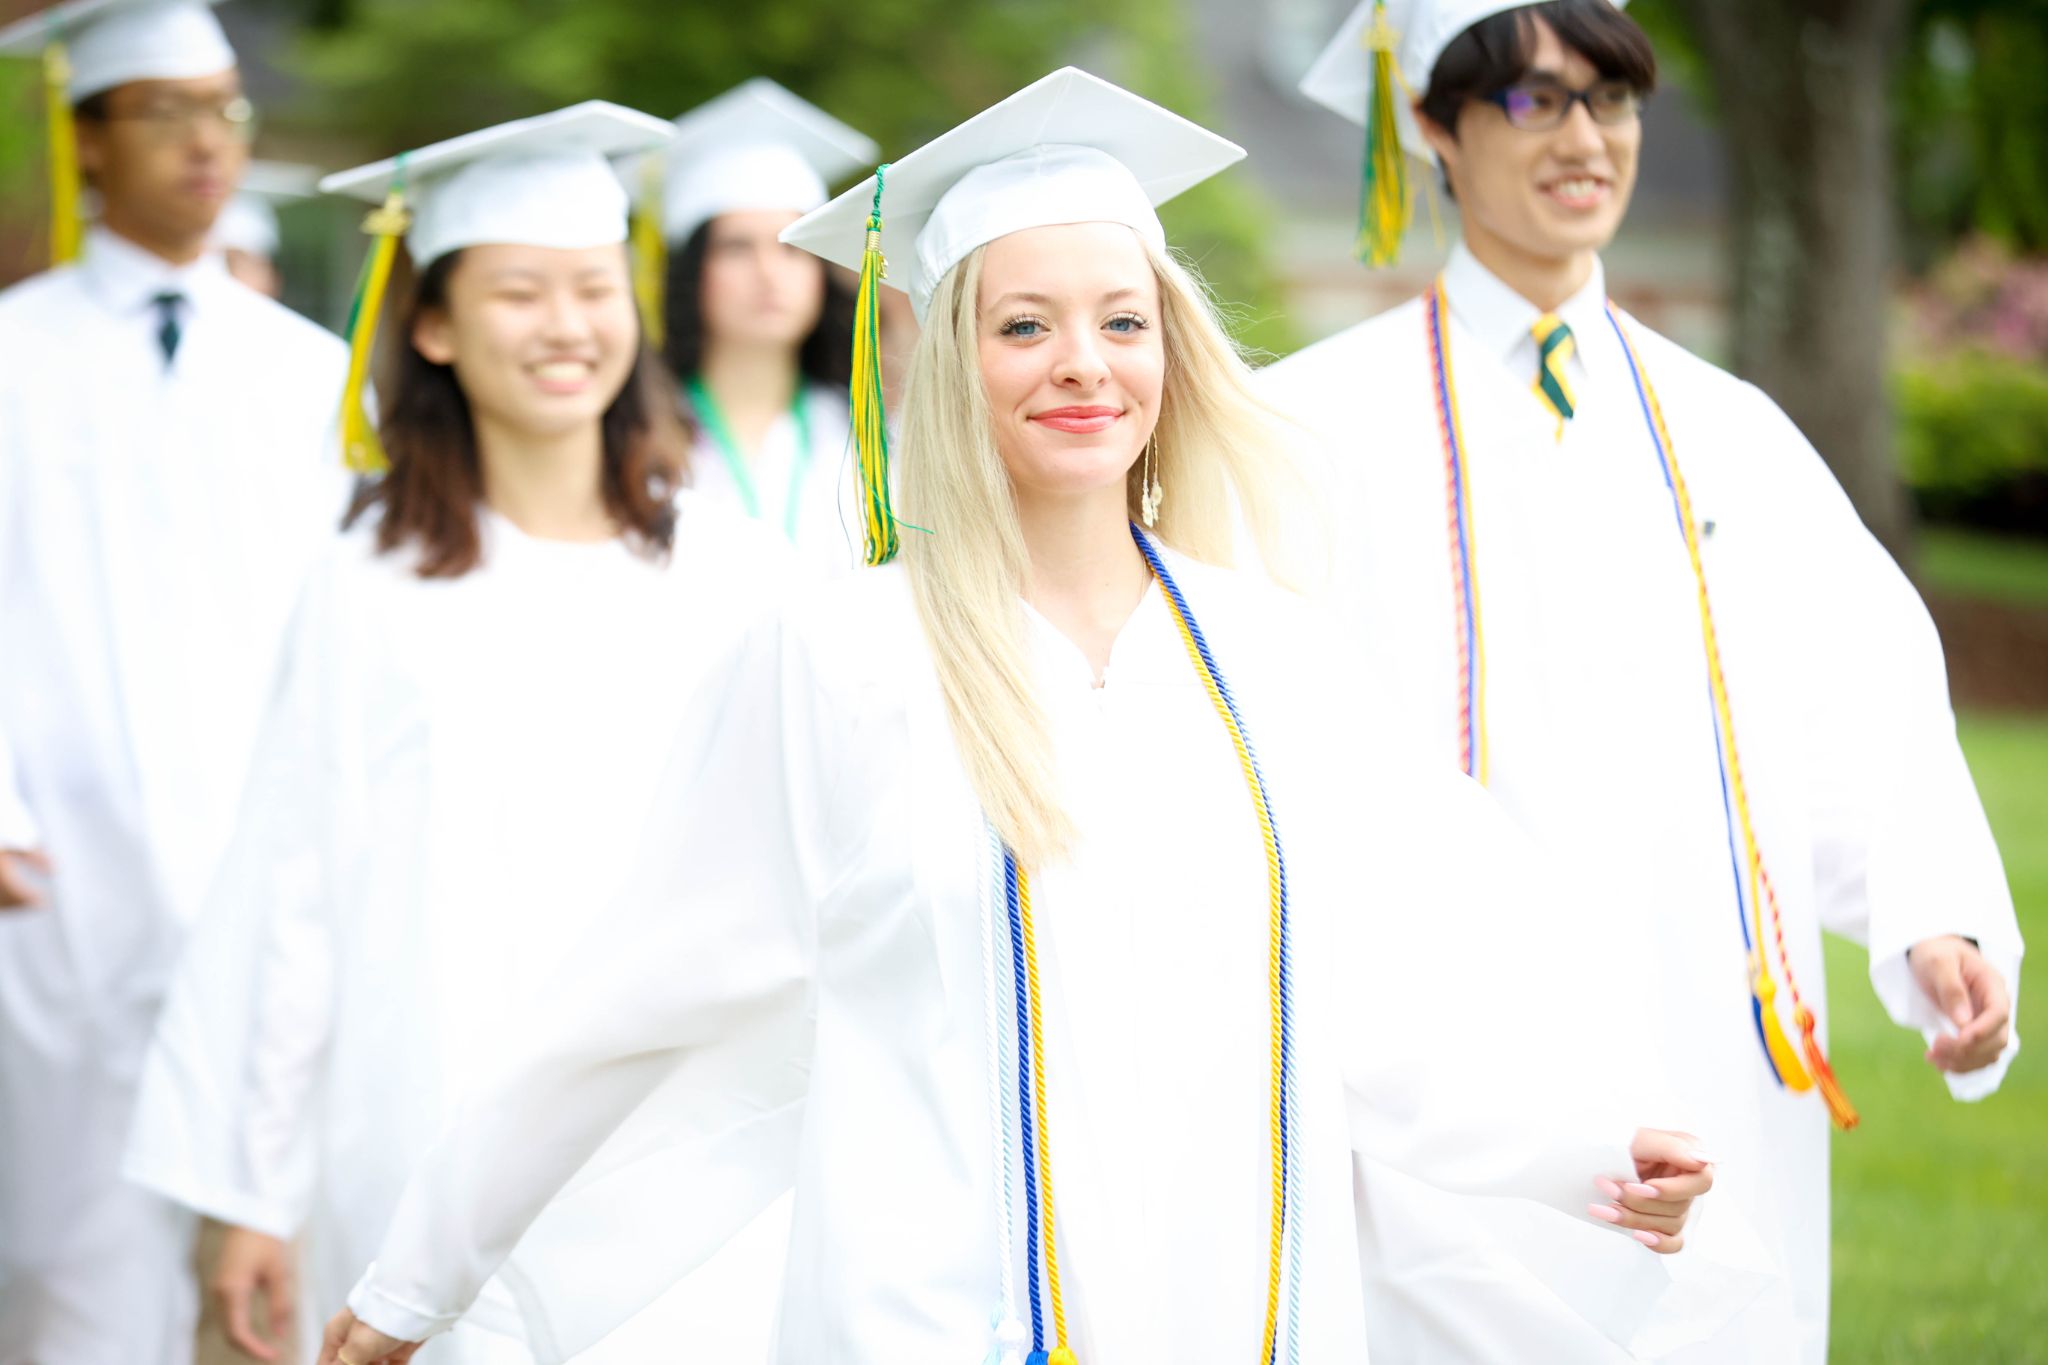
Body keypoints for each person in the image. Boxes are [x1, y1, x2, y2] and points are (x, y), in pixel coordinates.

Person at [312, 68, 1715, 1365]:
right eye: (1023, 325)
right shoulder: (842, 653)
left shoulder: (1269, 658)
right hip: (936, 1321)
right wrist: (416, 1281)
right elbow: (633, 1001)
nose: (1083, 365)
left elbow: (1400, 985)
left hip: (1231, 1306)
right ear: (947, 354)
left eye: (1122, 320)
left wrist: (1585, 1145)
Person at [1261, 2, 2024, 1359]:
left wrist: (1931, 920)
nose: (1585, 139)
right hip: (1442, 1043)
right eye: (1531, 103)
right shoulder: (1314, 430)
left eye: (1609, 102)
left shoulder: (1731, 433)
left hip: (1701, 1022)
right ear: (1429, 127)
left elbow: (1857, 707)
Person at [120, 102, 801, 1365]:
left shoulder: (739, 577)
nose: (565, 328)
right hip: (414, 1112)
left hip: (663, 1156)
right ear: (430, 322)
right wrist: (249, 1197)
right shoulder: (368, 588)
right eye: (518, 292)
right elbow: (291, 895)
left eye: (594, 289)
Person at [0, 2, 349, 1360]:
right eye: (165, 111)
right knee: (62, 1263)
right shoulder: (9, 353)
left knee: (266, 1256)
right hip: (56, 871)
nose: (208, 142)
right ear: (83, 140)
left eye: (226, 110)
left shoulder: (309, 369)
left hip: (256, 858)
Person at [646, 78, 877, 574]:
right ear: (692, 270)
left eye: (792, 248)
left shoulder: (872, 438)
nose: (770, 273)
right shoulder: (641, 432)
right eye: (736, 248)